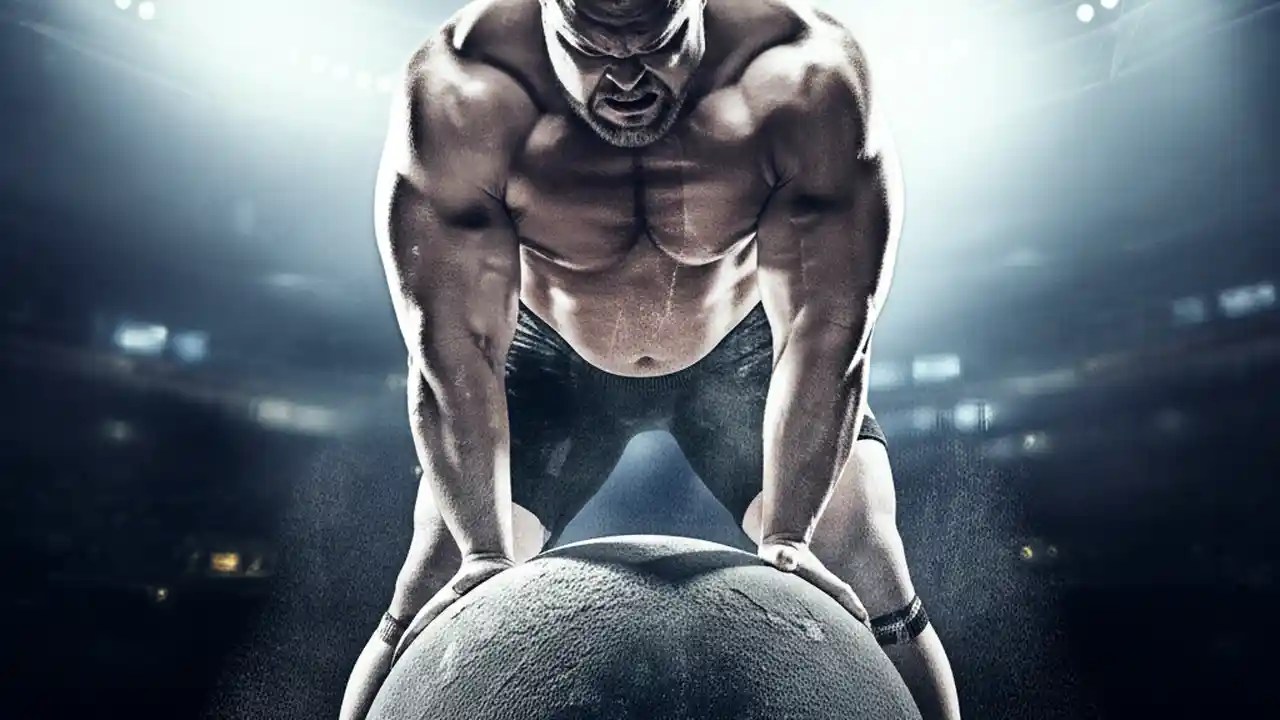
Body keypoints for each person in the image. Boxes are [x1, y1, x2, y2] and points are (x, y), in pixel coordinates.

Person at [340, 0, 961, 718]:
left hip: (741, 345)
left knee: (864, 556)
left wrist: (790, 536)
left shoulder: (803, 77)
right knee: (438, 575)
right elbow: (450, 348)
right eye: (595, 52)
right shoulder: (463, 91)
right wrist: (483, 551)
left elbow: (829, 329)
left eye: (656, 46)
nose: (628, 79)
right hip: (553, 360)